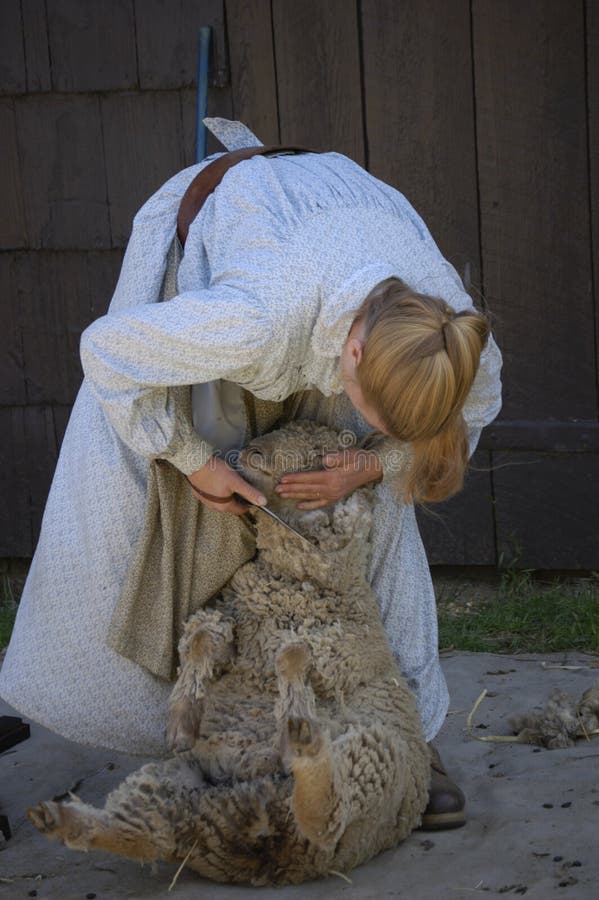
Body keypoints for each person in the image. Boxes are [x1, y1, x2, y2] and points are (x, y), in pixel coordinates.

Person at [0, 118, 502, 831]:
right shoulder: (251, 320)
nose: (380, 430)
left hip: (330, 236)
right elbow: (106, 351)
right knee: (182, 499)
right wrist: (191, 458)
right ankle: (218, 739)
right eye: (374, 412)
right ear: (352, 351)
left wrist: (372, 462)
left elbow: (466, 413)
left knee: (375, 514)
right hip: (237, 237)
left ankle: (408, 742)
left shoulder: (443, 329)